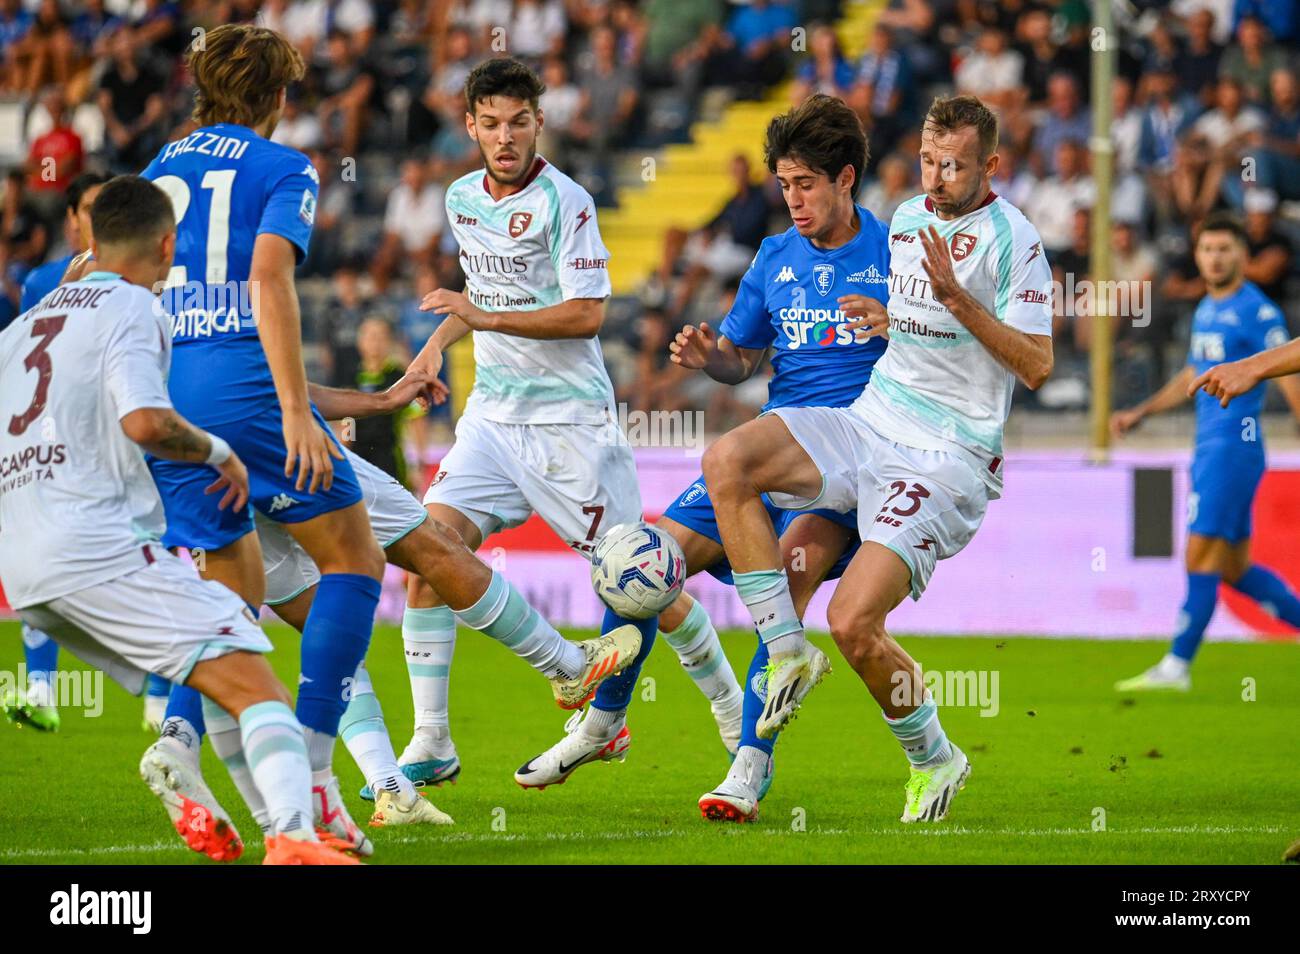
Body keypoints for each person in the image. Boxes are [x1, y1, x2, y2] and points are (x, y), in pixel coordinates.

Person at [701, 94, 1053, 823]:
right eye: (927, 159)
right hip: (872, 419)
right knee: (728, 460)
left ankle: (934, 757)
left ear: (990, 165)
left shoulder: (1015, 241)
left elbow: (1037, 365)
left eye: (952, 165)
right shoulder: (913, 219)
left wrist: (959, 301)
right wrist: (894, 317)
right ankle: (783, 651)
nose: (935, 177)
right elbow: (921, 331)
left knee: (854, 622)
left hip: (949, 453)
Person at [0, 175, 353, 865]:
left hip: (25, 569)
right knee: (254, 676)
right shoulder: (132, 307)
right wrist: (220, 452)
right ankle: (291, 837)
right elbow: (144, 420)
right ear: (168, 247)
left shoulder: (18, 331)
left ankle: (265, 825)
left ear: (91, 240)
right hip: (96, 550)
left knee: (218, 672)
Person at [137, 23, 386, 859]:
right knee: (355, 560)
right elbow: (269, 276)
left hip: (170, 388)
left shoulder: (158, 167)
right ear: (280, 97)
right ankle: (315, 772)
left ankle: (177, 733)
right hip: (243, 381)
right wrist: (290, 411)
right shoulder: (284, 167)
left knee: (229, 587)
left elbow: (112, 278)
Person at [404, 57, 654, 789]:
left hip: (570, 424)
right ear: (471, 127)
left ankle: (732, 721)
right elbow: (476, 297)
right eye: (490, 123)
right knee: (429, 548)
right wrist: (429, 353)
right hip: (493, 418)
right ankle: (432, 739)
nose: (505, 136)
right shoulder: (458, 197)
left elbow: (588, 312)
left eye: (519, 121)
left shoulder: (565, 200)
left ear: (540, 122)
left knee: (639, 587)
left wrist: (482, 316)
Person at [658, 94, 891, 821]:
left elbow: (948, 357)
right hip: (778, 445)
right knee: (646, 560)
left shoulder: (898, 253)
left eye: (807, 184)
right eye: (784, 184)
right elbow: (741, 360)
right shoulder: (773, 255)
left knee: (788, 587)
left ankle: (748, 768)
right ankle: (595, 723)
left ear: (845, 179)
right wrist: (711, 360)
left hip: (853, 462)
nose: (792, 199)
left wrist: (902, 325)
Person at [1113, 212, 1300, 691]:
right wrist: (1142, 411)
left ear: (1242, 255)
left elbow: (1292, 374)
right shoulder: (1206, 310)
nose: (1215, 257)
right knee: (1234, 570)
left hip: (1232, 450)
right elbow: (1193, 378)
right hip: (1209, 447)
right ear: (1197, 255)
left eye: (1225, 249)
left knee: (1198, 556)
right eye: (1207, 249)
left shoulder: (1259, 312)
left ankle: (1177, 666)